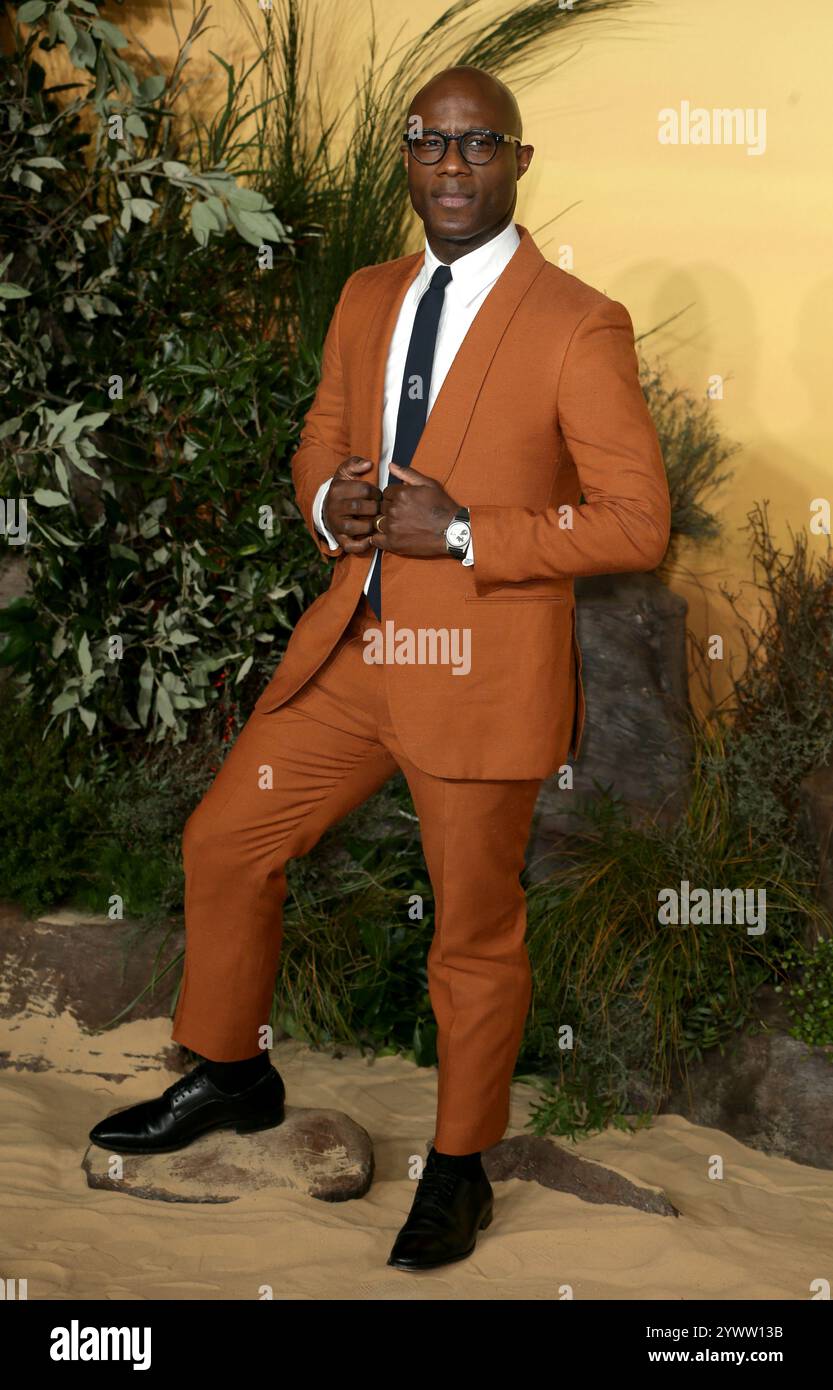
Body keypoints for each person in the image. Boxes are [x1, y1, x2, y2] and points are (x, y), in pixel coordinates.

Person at [90, 64, 671, 1272]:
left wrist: (462, 533)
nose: (449, 167)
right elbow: (321, 430)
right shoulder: (366, 295)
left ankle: (459, 1171)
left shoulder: (576, 320)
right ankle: (236, 1073)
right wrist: (330, 501)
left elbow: (633, 522)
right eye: (427, 145)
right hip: (358, 651)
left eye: (475, 146)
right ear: (405, 159)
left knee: (469, 935)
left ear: (518, 161)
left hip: (478, 672)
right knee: (225, 841)